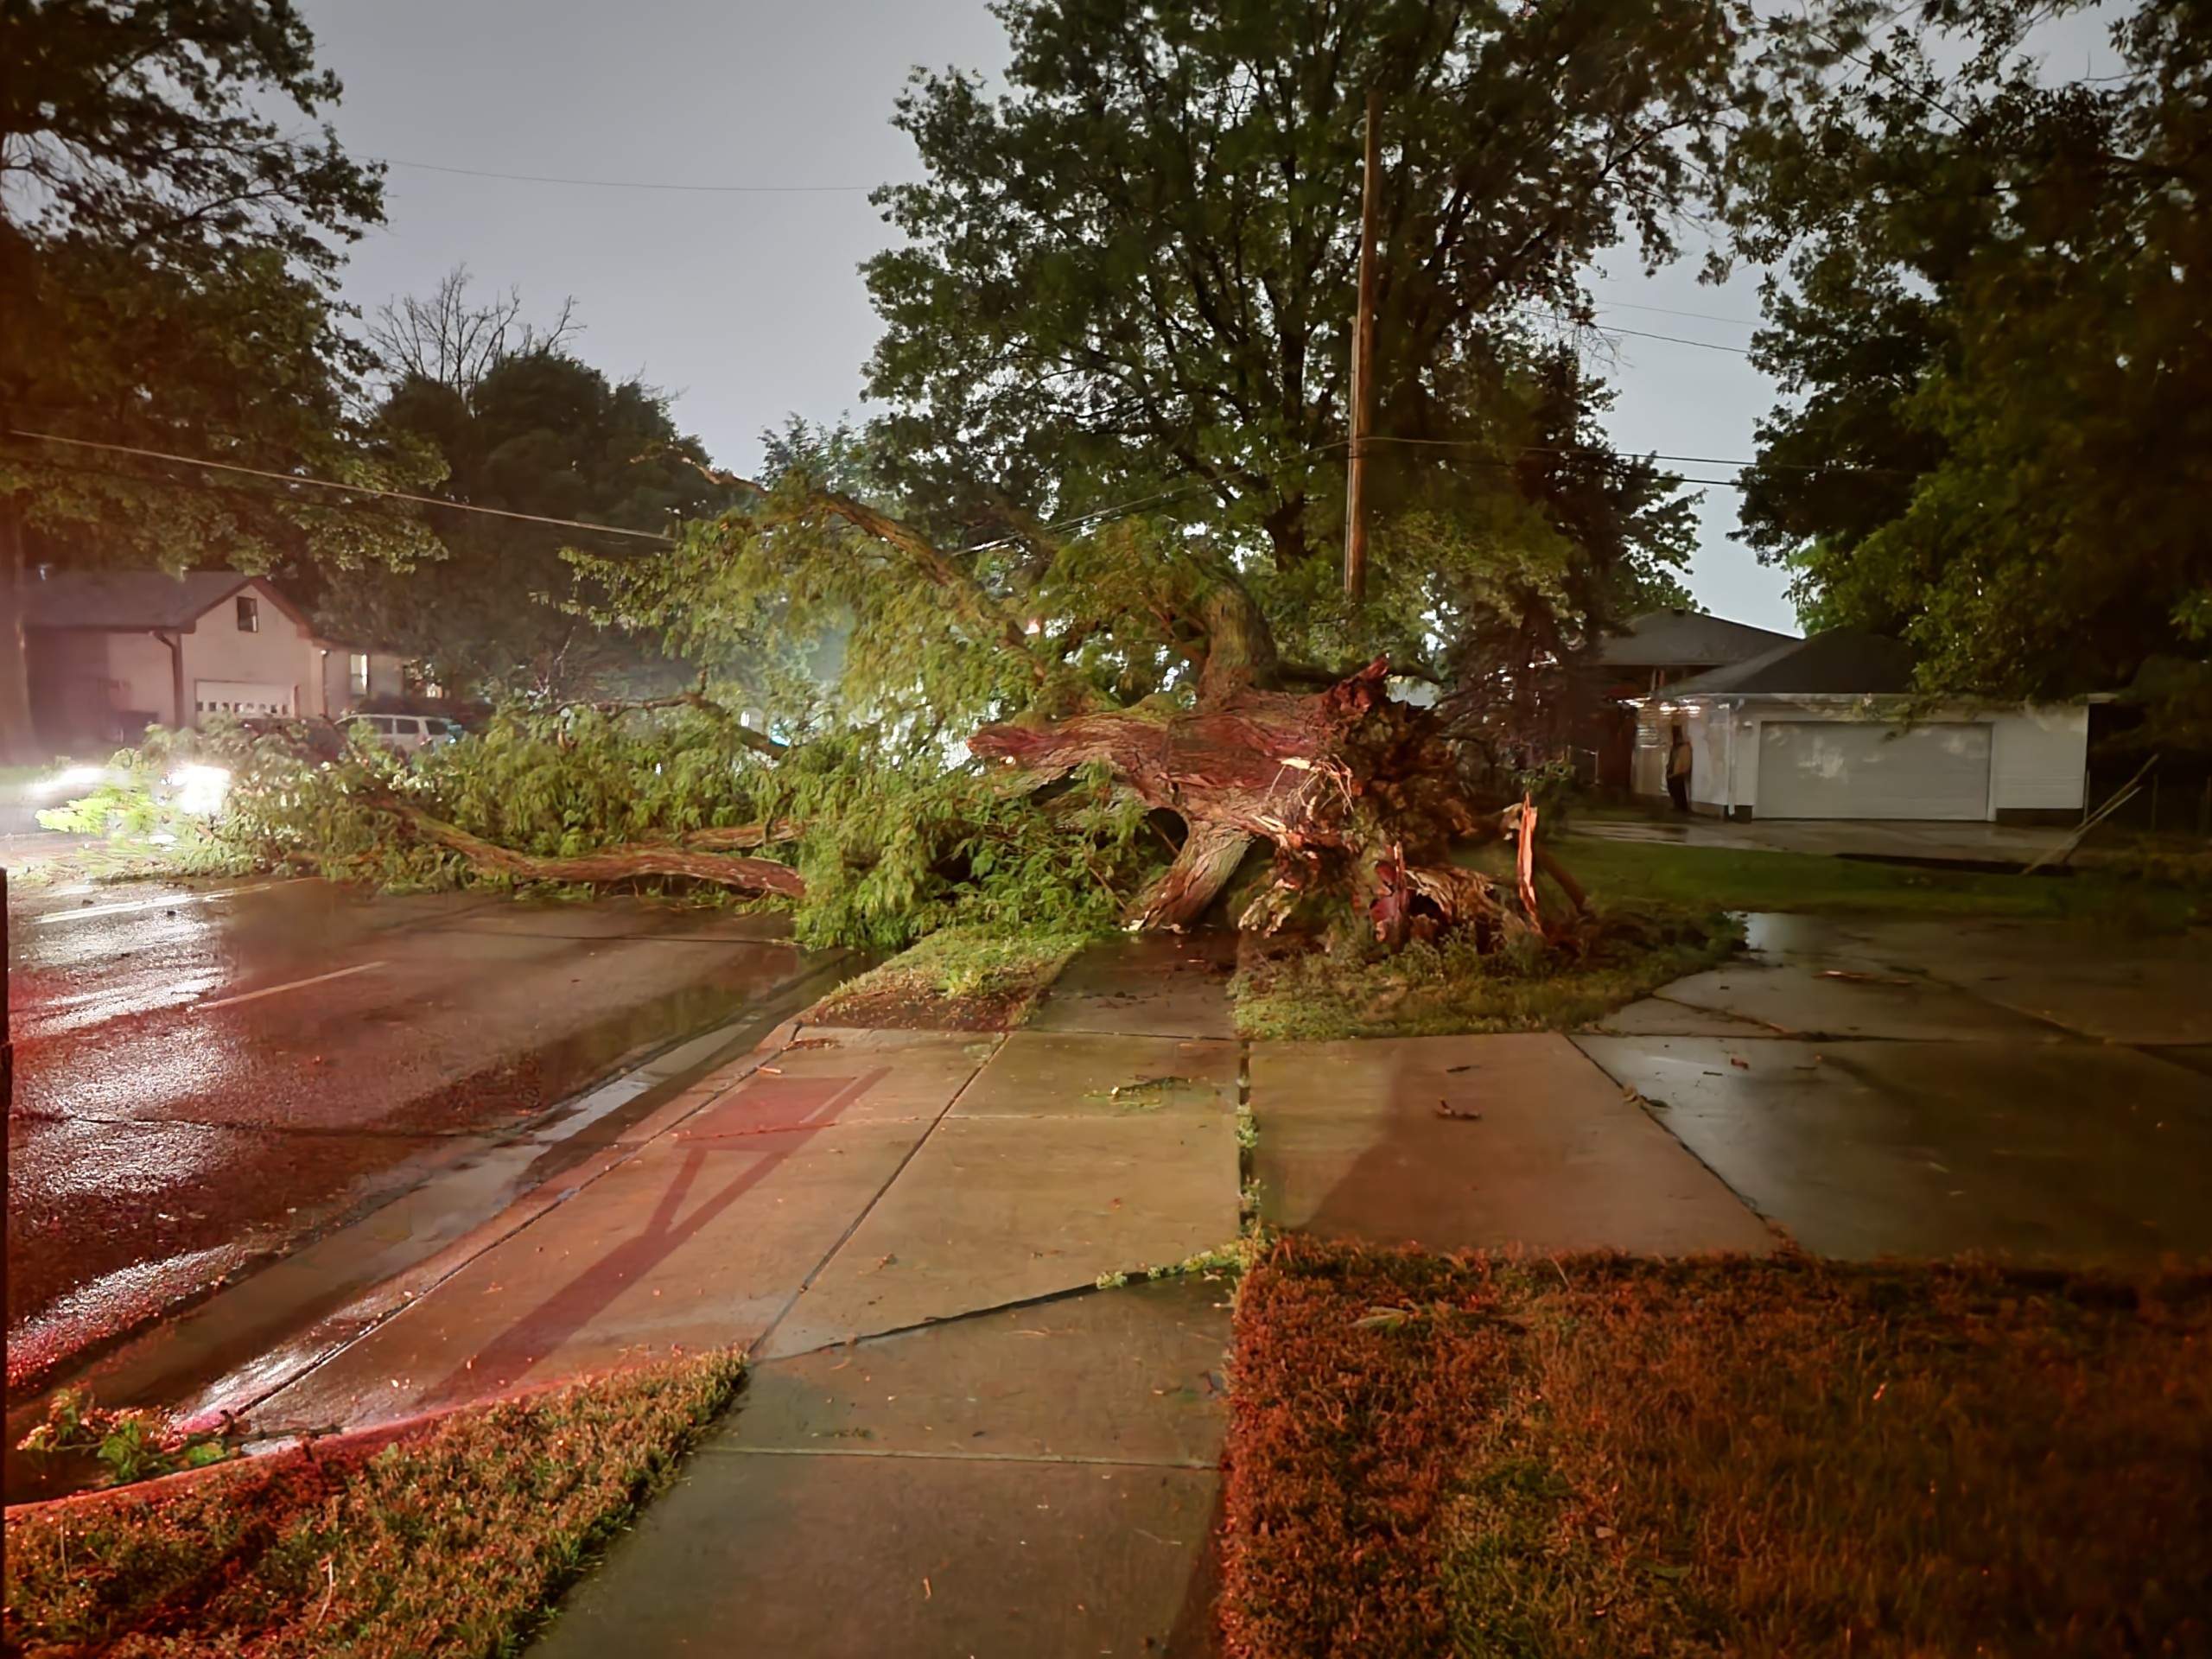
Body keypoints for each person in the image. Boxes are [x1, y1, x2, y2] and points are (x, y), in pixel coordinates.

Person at [1667, 723, 1693, 813]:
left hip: (1678, 774)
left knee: (1678, 790)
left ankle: (1681, 807)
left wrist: (1675, 773)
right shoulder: (1678, 748)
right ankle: (1678, 806)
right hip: (1676, 773)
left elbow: (1682, 763)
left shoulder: (1683, 748)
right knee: (1675, 789)